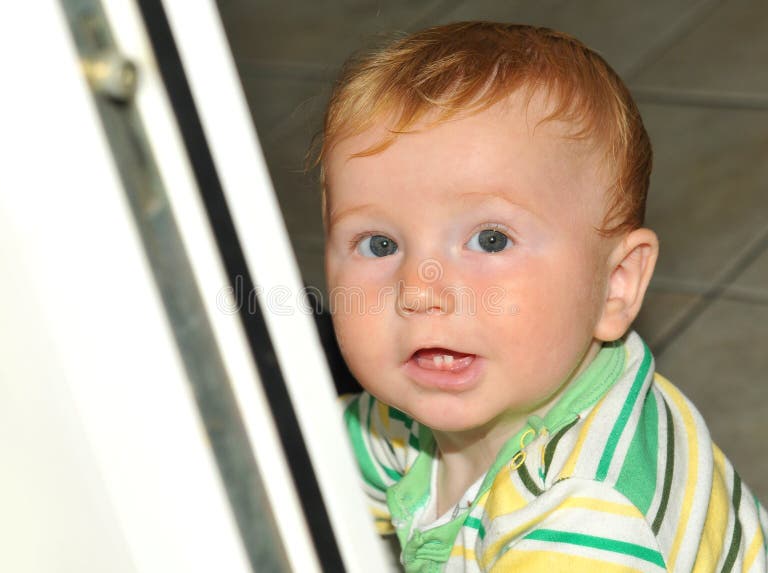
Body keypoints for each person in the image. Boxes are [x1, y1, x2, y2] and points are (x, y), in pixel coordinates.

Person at [315, 21, 768, 572]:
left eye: (490, 239)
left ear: (614, 284)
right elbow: (303, 459)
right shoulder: (418, 409)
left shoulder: (584, 511)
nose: (418, 290)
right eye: (379, 243)